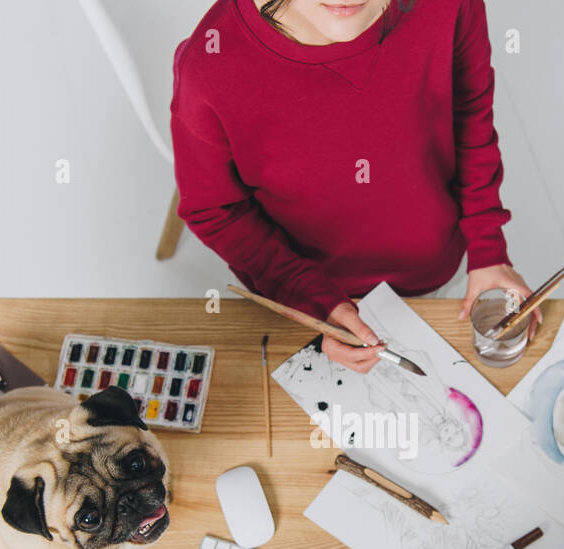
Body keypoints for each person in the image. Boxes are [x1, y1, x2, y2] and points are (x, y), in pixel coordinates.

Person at [170, 0, 540, 374]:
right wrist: (312, 299)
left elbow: (470, 111)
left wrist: (487, 246)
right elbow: (215, 211)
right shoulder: (208, 70)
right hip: (306, 298)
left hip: (439, 267)